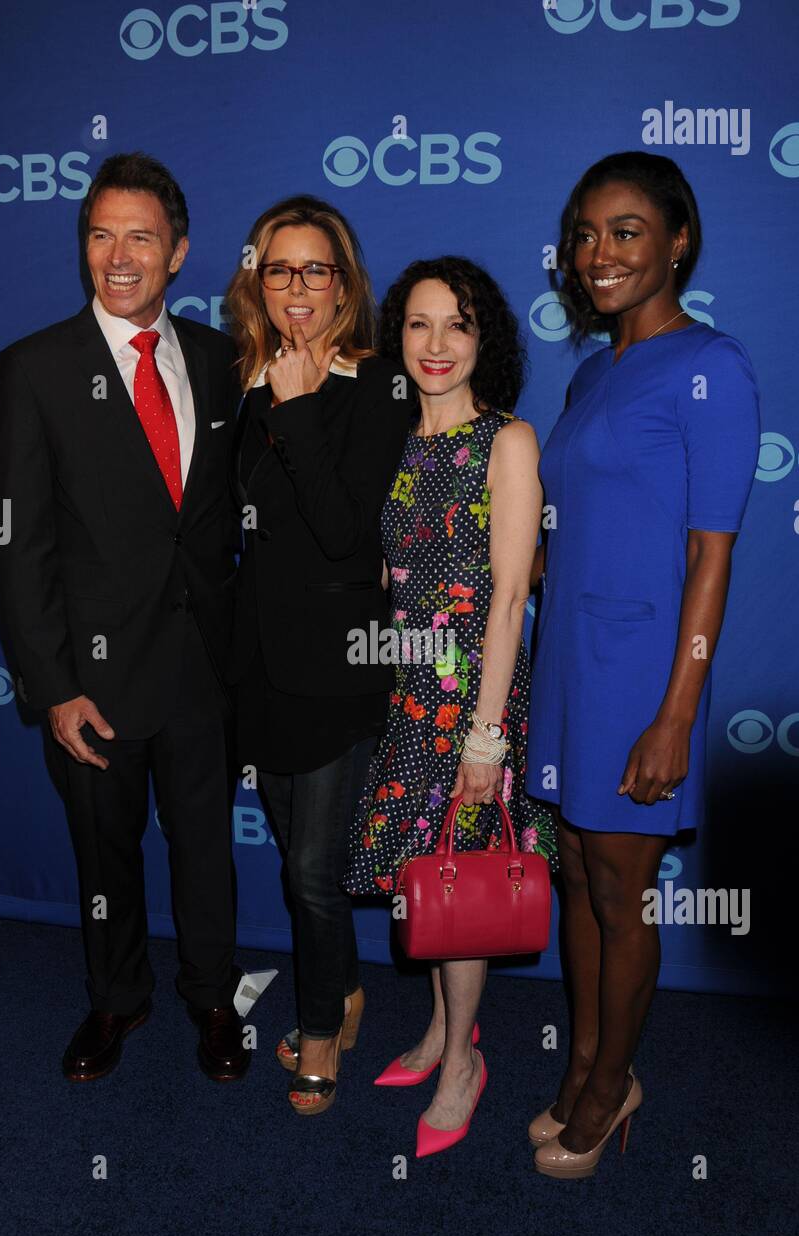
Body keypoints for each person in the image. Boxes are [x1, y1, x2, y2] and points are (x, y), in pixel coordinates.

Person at [0, 152, 247, 1083]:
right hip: (92, 680)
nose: (120, 256)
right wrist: (53, 689)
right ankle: (117, 999)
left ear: (178, 252)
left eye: (141, 236)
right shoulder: (35, 369)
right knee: (104, 856)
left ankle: (212, 1000)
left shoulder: (219, 361)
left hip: (202, 672)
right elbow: (18, 547)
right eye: (101, 235)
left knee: (207, 850)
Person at [524, 151, 761, 1178]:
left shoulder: (713, 366)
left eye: (624, 231)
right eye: (583, 234)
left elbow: (711, 553)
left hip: (641, 671)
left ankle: (615, 1079)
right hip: (568, 659)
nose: (596, 254)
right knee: (575, 872)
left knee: (620, 890)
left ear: (676, 243)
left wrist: (675, 713)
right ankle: (582, 1060)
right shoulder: (591, 369)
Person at [343, 257, 559, 1157]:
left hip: (474, 689)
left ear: (485, 340)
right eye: (420, 324)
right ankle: (441, 1029)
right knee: (426, 873)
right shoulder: (392, 438)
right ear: (398, 336)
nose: (437, 345)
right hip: (408, 687)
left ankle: (464, 1063)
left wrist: (486, 733)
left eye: (458, 325)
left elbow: (510, 595)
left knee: (463, 878)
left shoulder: (504, 441)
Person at [225, 194, 411, 1116]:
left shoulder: (377, 385)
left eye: (316, 269)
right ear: (256, 280)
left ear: (344, 283)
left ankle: (325, 1031)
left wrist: (298, 409)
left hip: (340, 667)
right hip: (259, 668)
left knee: (310, 872)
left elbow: (343, 533)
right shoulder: (240, 382)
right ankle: (338, 989)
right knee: (296, 866)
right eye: (279, 269)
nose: (297, 287)